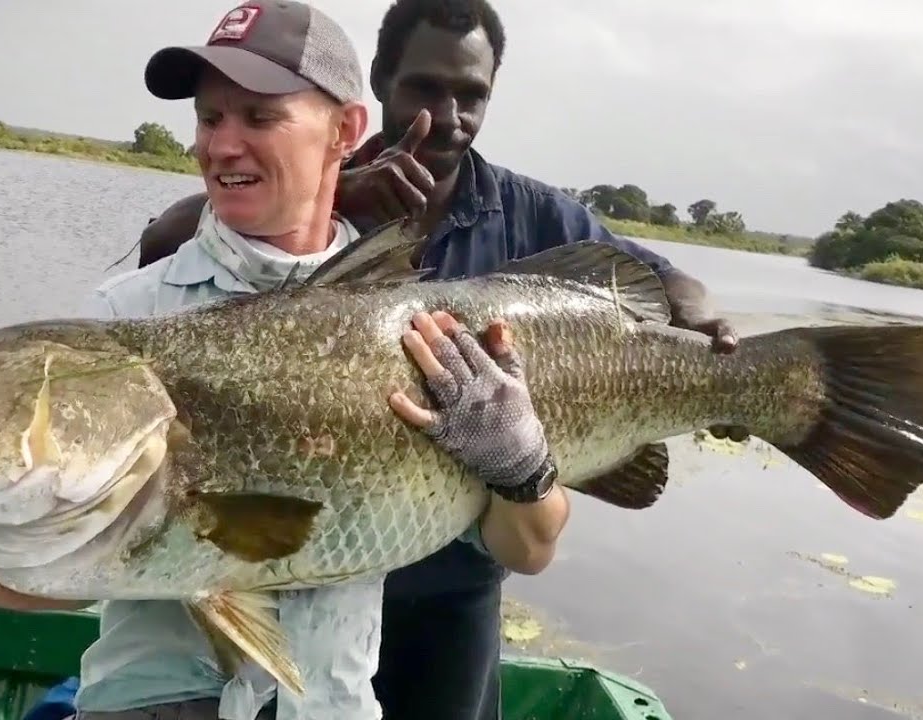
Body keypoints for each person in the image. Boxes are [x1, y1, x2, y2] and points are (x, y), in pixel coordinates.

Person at [0, 2, 573, 720]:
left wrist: (519, 462)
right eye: (209, 117)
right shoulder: (124, 316)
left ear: (347, 130)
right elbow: (60, 578)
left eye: (260, 117)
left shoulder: (434, 334)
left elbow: (527, 550)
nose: (221, 145)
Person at [128, 1, 741, 719]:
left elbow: (654, 281)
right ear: (382, 83)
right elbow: (165, 249)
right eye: (424, 88)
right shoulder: (303, 181)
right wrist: (339, 194)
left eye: (472, 95)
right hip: (298, 573)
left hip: (454, 582)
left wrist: (713, 344)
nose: (448, 114)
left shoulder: (532, 215)